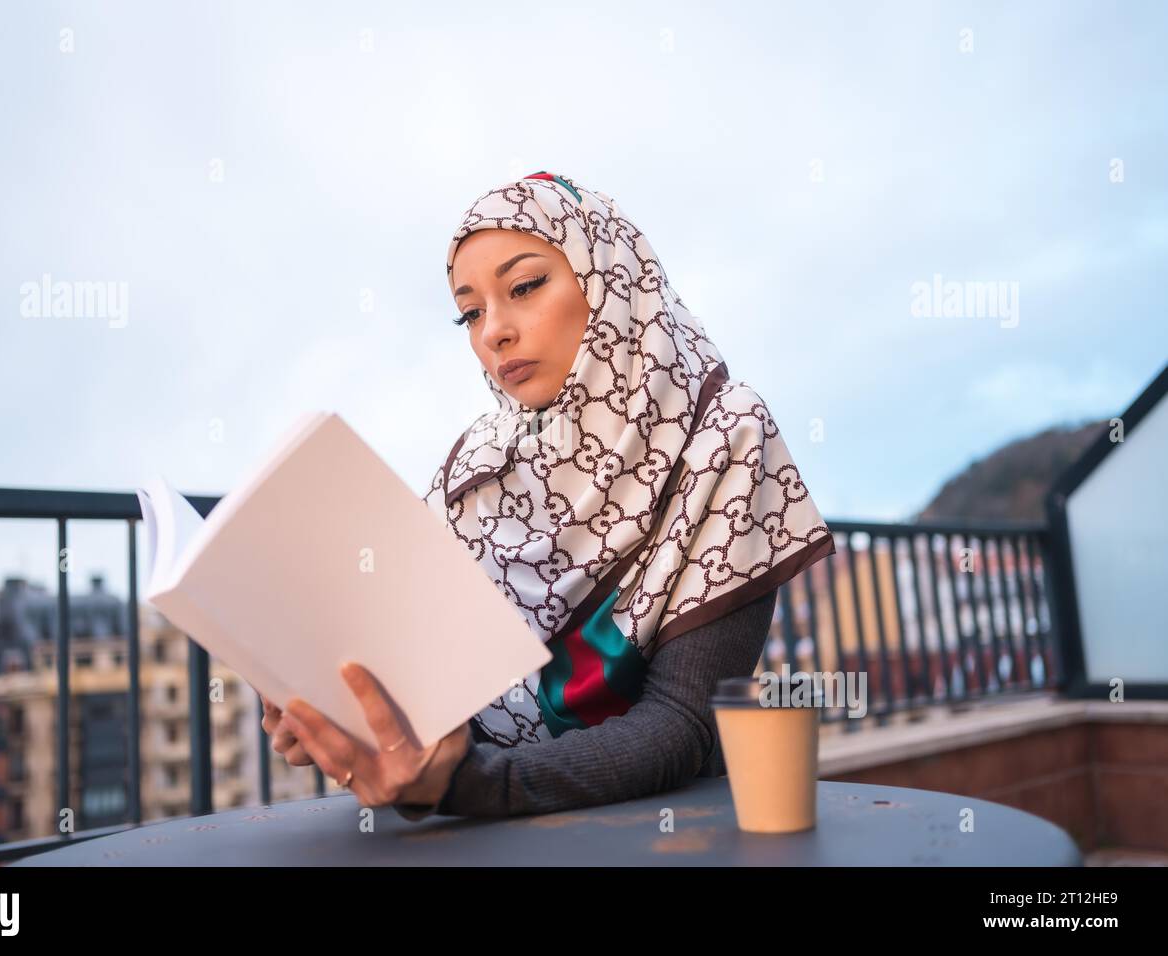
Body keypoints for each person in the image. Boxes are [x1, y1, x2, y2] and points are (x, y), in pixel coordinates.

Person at [262, 170, 835, 819]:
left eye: (525, 286)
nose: (493, 332)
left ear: (611, 280)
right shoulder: (475, 466)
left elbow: (682, 723)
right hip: (483, 837)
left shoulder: (723, 433)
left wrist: (466, 784)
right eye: (470, 311)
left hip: (666, 833)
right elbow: (428, 689)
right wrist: (338, 707)